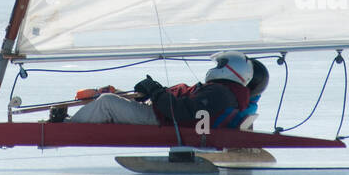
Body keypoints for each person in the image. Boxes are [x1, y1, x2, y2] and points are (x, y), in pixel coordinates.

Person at [60, 51, 255, 129]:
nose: (215, 67)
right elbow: (184, 106)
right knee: (111, 95)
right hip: (159, 111)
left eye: (220, 64)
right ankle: (70, 121)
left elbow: (181, 112)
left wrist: (155, 91)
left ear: (231, 69)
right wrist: (152, 92)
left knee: (107, 102)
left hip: (160, 118)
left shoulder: (219, 93)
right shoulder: (224, 92)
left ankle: (66, 129)